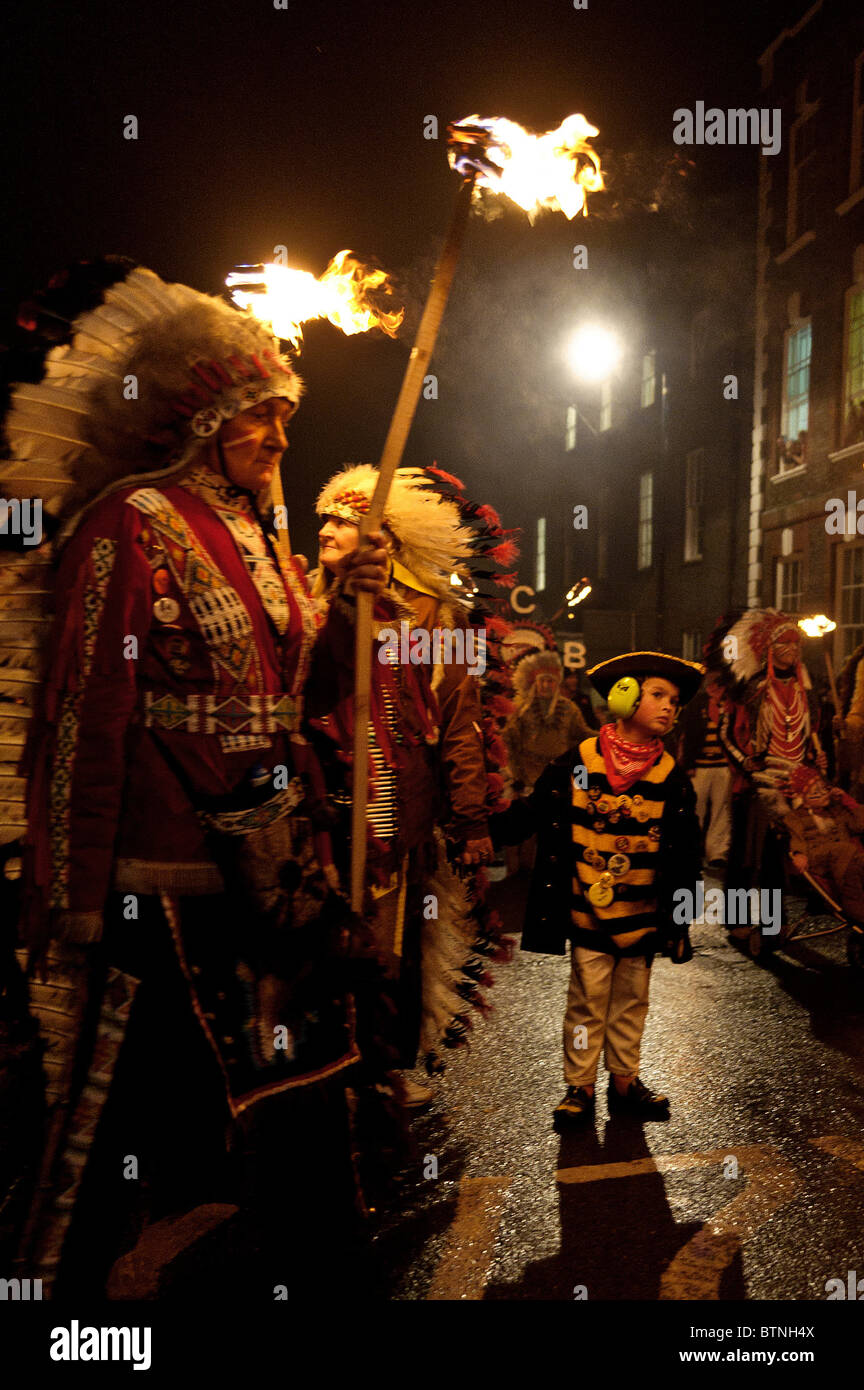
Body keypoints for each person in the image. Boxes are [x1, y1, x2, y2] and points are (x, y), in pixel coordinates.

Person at [3, 264, 389, 1296]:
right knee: (164, 1113)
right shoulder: (131, 524)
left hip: (269, 869)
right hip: (159, 880)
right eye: (260, 420)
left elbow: (303, 695)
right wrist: (78, 891)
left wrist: (350, 602)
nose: (278, 440)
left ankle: (287, 1274)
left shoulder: (272, 543)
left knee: (295, 1092)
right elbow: (87, 714)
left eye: (282, 421)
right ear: (204, 420)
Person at [308, 463, 499, 1095]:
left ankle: (380, 1066)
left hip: (401, 814)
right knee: (323, 942)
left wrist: (469, 817)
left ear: (383, 542)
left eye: (347, 521)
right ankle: (321, 1069)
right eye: (328, 517)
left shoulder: (432, 623)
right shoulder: (297, 602)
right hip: (326, 811)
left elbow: (457, 724)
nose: (329, 528)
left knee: (391, 945)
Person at [491, 651, 703, 1128]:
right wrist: (482, 829)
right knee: (587, 1002)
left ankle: (625, 1082)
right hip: (589, 909)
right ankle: (580, 1086)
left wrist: (679, 920)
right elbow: (535, 809)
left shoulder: (670, 775)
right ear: (624, 697)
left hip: (642, 915)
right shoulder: (582, 760)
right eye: (657, 696)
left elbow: (688, 853)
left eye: (674, 701)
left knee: (632, 1002)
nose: (669, 708)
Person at [782, 765, 864, 921]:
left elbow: (860, 825)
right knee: (844, 849)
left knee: (858, 860)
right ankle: (852, 905)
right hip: (818, 859)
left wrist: (849, 802)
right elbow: (796, 839)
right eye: (815, 793)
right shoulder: (796, 817)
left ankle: (857, 903)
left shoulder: (837, 810)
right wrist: (798, 854)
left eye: (824, 789)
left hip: (848, 860)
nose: (824, 795)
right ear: (804, 800)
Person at [676, 672, 732, 873]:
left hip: (723, 764)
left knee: (722, 810)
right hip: (700, 765)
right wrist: (689, 763)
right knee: (695, 808)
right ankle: (693, 849)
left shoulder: (729, 702)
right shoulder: (698, 701)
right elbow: (688, 733)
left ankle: (716, 852)